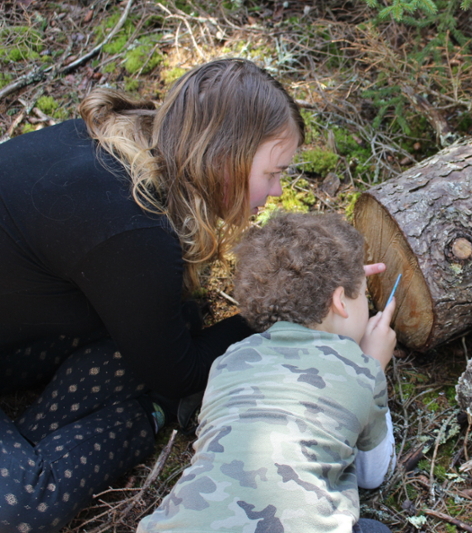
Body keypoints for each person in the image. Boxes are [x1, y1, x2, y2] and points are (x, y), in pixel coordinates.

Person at [0, 58, 385, 532]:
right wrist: (304, 306)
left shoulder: (122, 151)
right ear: (225, 157)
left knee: (176, 317)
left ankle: (25, 438)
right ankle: (145, 413)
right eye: (273, 172)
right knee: (21, 506)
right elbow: (180, 371)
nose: (278, 191)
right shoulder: (134, 229)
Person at [137, 212, 397, 533]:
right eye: (364, 295)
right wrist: (374, 366)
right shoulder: (359, 368)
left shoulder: (228, 360)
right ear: (340, 301)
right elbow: (374, 475)